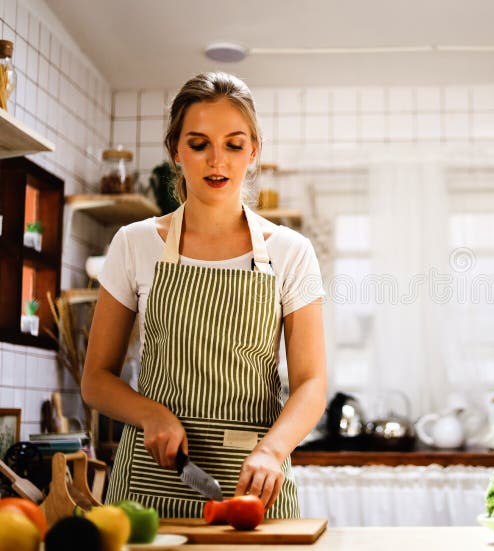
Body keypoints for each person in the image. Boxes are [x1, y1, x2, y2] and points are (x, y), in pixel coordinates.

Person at [82, 72, 327, 519]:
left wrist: (273, 451)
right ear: (176, 150)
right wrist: (150, 414)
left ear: (253, 152)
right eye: (199, 144)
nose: (218, 161)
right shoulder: (134, 244)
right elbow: (96, 378)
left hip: (253, 485)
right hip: (148, 485)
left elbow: (312, 383)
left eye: (234, 145)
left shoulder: (290, 253)